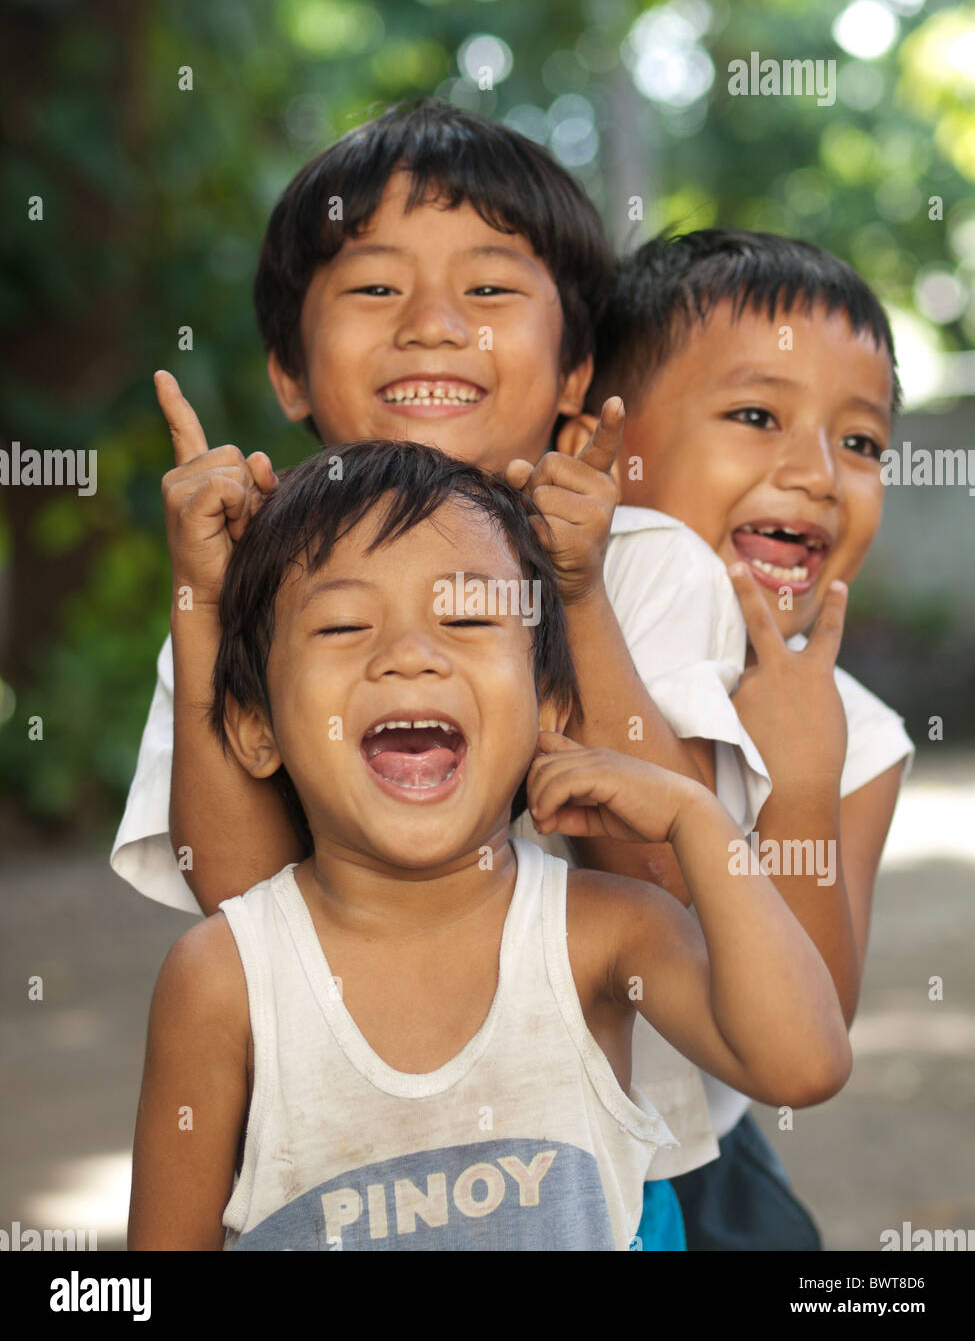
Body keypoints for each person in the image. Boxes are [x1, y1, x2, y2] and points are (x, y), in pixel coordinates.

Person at [113, 102, 773, 1224]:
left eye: (490, 289)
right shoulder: (255, 582)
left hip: (644, 1166)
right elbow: (240, 898)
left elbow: (669, 884)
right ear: (287, 369)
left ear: (575, 369)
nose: (430, 324)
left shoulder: (652, 565)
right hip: (363, 1179)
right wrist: (206, 606)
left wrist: (574, 590)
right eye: (374, 288)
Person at [127, 439, 852, 1252]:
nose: (408, 654)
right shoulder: (222, 980)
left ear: (548, 706)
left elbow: (804, 1066)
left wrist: (697, 818)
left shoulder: (605, 934)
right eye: (343, 623)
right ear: (256, 728)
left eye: (467, 617)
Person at [550, 227, 914, 1249]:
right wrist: (580, 596)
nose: (816, 474)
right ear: (598, 447)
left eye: (861, 441)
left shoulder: (864, 738)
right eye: (757, 415)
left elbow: (809, 1031)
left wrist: (800, 779)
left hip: (699, 1158)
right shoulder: (519, 617)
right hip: (519, 1161)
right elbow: (649, 874)